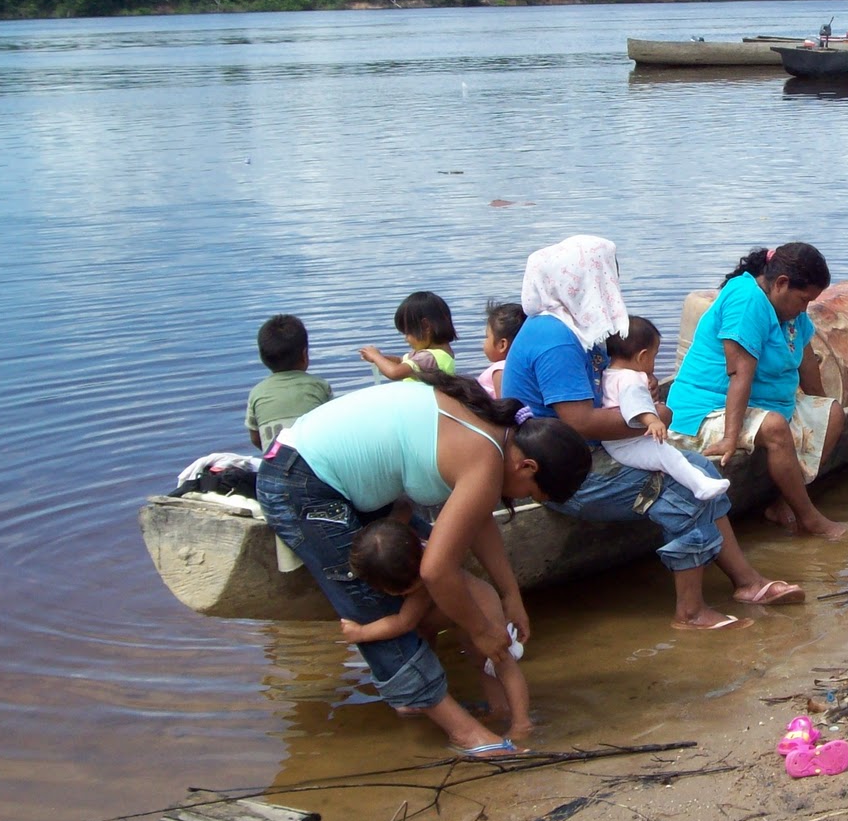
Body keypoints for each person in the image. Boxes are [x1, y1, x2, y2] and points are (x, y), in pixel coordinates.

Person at [255, 372, 591, 757]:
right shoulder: (485, 456)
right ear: (527, 467)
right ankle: (461, 730)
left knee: (415, 573)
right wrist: (481, 630)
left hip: (308, 465)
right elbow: (436, 570)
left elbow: (476, 517)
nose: (521, 497)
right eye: (534, 494)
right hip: (299, 480)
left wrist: (510, 593)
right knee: (376, 602)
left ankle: (413, 699)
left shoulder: (491, 430)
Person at [501, 235, 805, 631]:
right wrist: (654, 413)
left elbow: (598, 400)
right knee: (675, 490)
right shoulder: (553, 338)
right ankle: (690, 613)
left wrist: (638, 396)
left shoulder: (575, 329)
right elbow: (578, 423)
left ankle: (747, 582)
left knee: (701, 472)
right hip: (558, 473)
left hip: (590, 453)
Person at [668, 244, 848, 540]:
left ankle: (783, 505)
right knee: (775, 428)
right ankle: (809, 520)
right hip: (707, 410)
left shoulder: (791, 313)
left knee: (831, 413)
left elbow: (806, 362)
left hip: (763, 405)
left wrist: (821, 405)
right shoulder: (746, 300)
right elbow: (740, 373)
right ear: (781, 284)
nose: (805, 308)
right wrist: (730, 437)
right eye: (803, 299)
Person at [342, 518, 532, 748]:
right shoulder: (413, 554)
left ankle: (522, 723)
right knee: (478, 662)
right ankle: (499, 709)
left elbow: (404, 622)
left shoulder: (426, 575)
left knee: (500, 662)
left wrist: (361, 632)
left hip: (479, 609)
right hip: (454, 614)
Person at [601, 316, 731, 501]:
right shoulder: (631, 379)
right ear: (642, 356)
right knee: (668, 455)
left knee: (667, 454)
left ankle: (697, 481)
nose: (653, 363)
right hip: (627, 443)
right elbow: (635, 404)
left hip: (616, 442)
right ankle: (700, 486)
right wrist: (653, 421)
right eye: (654, 357)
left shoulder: (610, 373)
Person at [246, 314, 333, 449]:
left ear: (263, 359)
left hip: (274, 466)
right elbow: (333, 427)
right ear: (304, 355)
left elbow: (255, 438)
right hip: (315, 464)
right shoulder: (320, 386)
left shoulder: (257, 393)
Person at [361, 291, 458, 380]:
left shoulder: (429, 358)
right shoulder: (433, 354)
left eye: (407, 333)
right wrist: (380, 359)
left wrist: (376, 356)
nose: (406, 339)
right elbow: (400, 361)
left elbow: (395, 372)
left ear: (425, 326)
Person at [478, 298, 525, 399]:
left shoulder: (500, 369)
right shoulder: (519, 367)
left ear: (502, 345)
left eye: (487, 337)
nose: (484, 342)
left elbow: (503, 405)